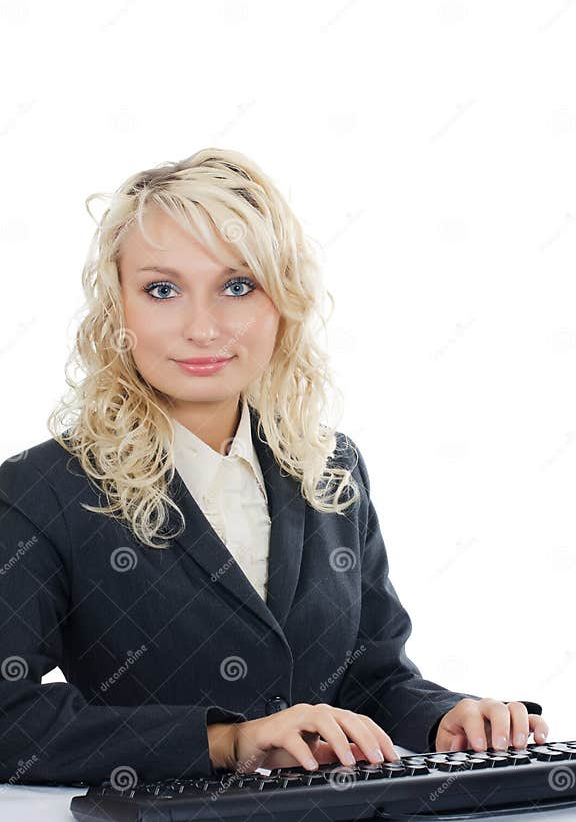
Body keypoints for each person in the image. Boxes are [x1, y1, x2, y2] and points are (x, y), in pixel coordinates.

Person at [0, 148, 547, 787]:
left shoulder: (329, 468)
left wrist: (443, 720)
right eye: (162, 289)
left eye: (238, 286)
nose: (203, 328)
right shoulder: (43, 492)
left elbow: (369, 677)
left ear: (282, 303)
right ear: (118, 308)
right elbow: (9, 717)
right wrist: (227, 741)